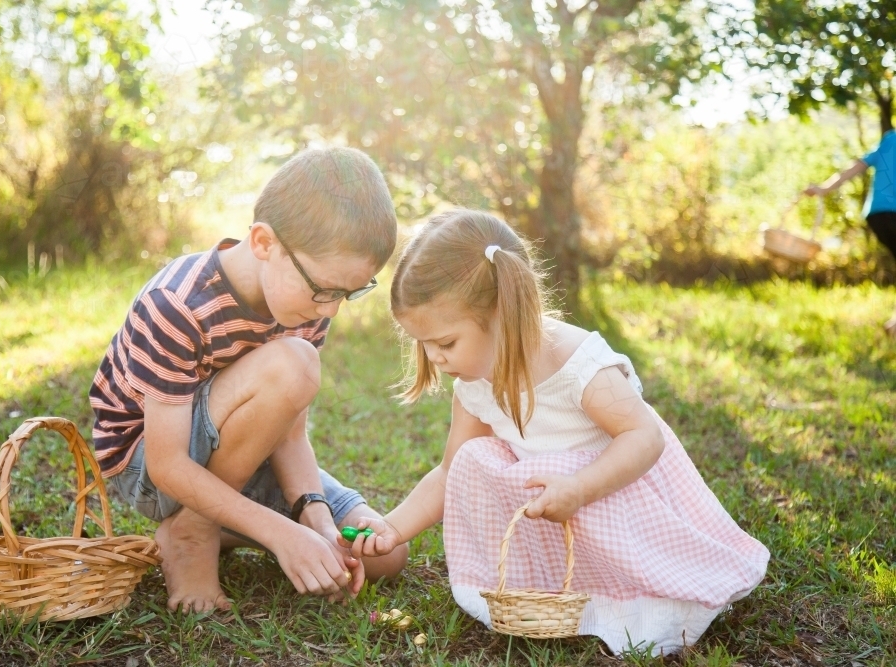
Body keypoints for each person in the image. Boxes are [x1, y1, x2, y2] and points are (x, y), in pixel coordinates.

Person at [342, 209, 769, 655]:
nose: (436, 358)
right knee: (474, 457)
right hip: (557, 519)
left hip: (616, 501)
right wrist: (393, 527)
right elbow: (450, 472)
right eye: (422, 344)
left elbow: (644, 437)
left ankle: (624, 591)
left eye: (445, 343)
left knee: (643, 602)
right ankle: (556, 586)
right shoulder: (475, 384)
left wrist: (581, 487)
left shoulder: (576, 364)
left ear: (503, 314)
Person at [90, 147, 408, 613]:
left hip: (246, 453)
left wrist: (315, 521)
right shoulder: (177, 304)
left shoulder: (306, 299)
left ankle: (228, 526)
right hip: (151, 465)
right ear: (263, 243)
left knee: (382, 554)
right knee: (292, 364)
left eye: (349, 293)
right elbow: (167, 465)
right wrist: (282, 533)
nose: (332, 309)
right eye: (326, 290)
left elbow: (289, 432)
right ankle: (191, 533)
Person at [804, 129, 896, 335]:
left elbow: (856, 167)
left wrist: (823, 188)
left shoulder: (890, 139)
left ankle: (894, 324)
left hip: (877, 214)